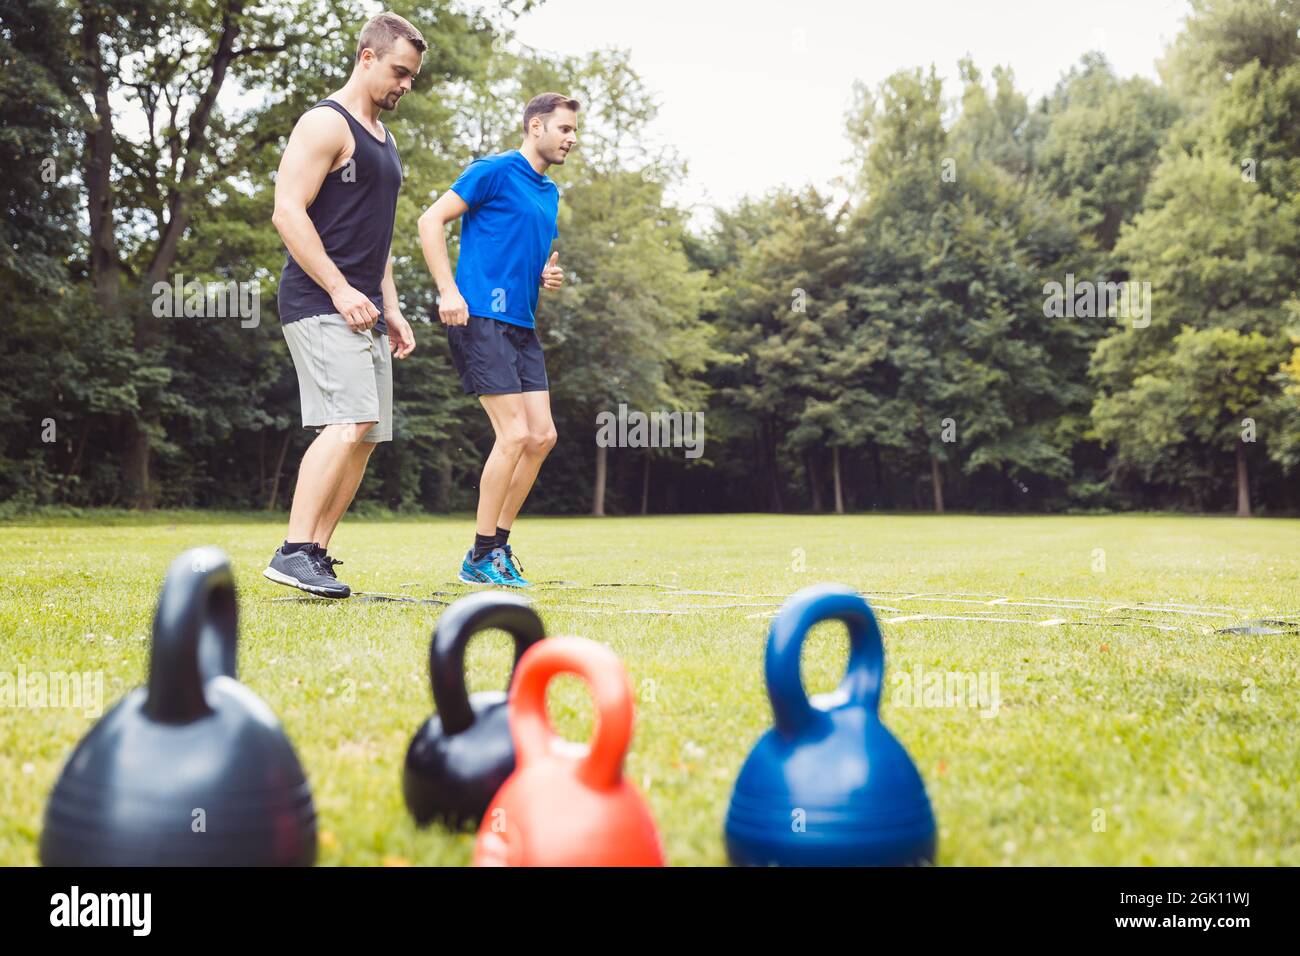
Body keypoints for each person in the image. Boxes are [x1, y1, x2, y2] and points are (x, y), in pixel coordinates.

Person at [263, 12, 422, 598]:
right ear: (366, 58)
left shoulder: (386, 138)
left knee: (368, 433)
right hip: (318, 299)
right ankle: (293, 549)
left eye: (412, 77)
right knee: (347, 420)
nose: (405, 85)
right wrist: (338, 288)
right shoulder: (325, 124)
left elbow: (375, 235)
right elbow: (287, 211)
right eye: (399, 72)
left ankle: (319, 553)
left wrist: (393, 305)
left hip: (365, 305)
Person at [418, 93, 578, 588]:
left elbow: (522, 258)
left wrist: (544, 278)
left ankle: (498, 545)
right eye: (565, 129)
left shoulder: (549, 193)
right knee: (512, 436)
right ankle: (480, 555)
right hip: (479, 317)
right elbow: (429, 221)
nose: (572, 139)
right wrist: (448, 291)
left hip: (522, 325)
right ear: (536, 127)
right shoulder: (493, 170)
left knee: (542, 437)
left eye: (574, 131)